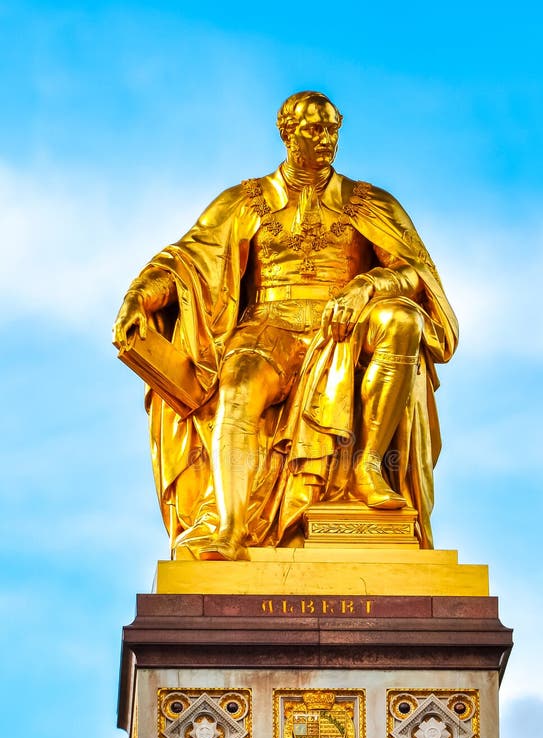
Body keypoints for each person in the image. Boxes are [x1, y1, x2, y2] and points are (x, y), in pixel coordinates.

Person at [112, 91, 458, 560]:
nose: (326, 139)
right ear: (287, 133)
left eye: (332, 128)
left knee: (402, 318)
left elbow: (419, 275)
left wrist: (368, 286)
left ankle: (369, 466)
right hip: (267, 328)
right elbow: (184, 262)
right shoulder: (245, 201)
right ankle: (230, 529)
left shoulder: (370, 202)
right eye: (314, 129)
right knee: (237, 387)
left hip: (344, 329)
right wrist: (139, 296)